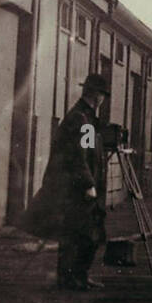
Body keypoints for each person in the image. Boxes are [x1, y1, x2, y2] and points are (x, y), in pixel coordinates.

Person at [38, 73, 111, 290]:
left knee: (87, 233)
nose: (103, 99)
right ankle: (70, 278)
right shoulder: (81, 119)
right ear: (97, 96)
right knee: (76, 234)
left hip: (81, 185)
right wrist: (88, 184)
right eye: (103, 95)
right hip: (77, 188)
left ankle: (79, 276)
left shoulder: (85, 118)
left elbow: (87, 151)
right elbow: (79, 155)